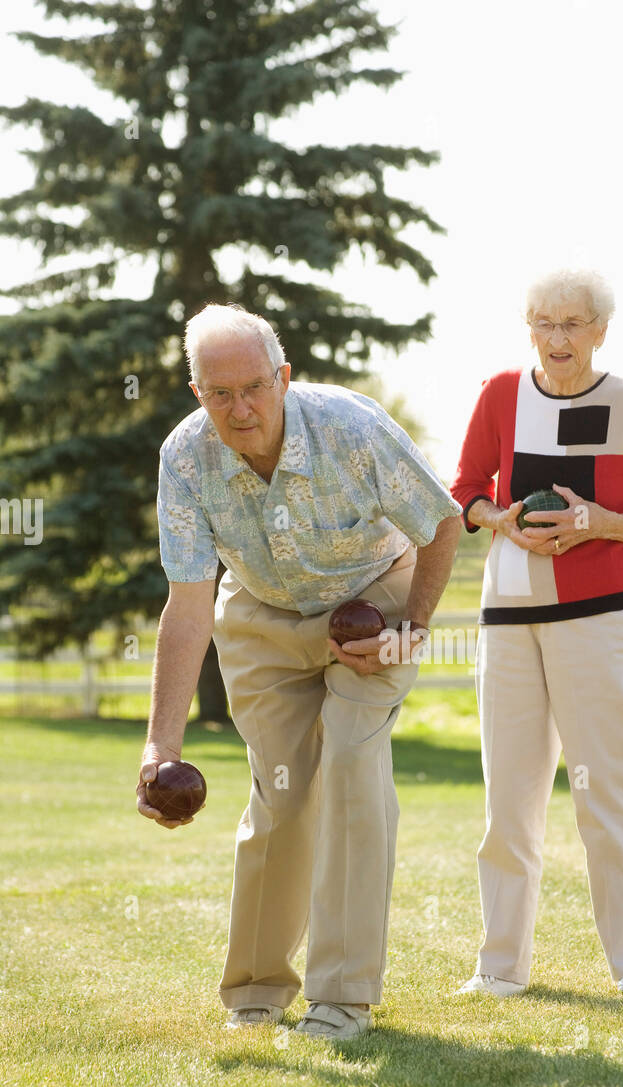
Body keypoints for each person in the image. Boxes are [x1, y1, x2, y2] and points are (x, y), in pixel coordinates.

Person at [137, 304, 462, 1038]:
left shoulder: (352, 427)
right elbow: (187, 607)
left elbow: (442, 521)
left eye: (254, 386)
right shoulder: (185, 458)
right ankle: (255, 992)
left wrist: (412, 628)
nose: (240, 407)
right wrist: (160, 747)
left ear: (283, 377)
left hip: (372, 601)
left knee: (350, 762)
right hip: (262, 611)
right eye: (219, 393)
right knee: (281, 792)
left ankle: (342, 997)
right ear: (197, 394)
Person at [450, 267, 623, 996]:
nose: (558, 339)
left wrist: (595, 522)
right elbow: (463, 493)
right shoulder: (498, 395)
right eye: (543, 324)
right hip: (510, 619)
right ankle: (500, 969)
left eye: (573, 324)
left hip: (602, 620)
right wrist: (500, 519)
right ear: (529, 330)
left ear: (600, 330)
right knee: (508, 802)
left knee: (610, 795)